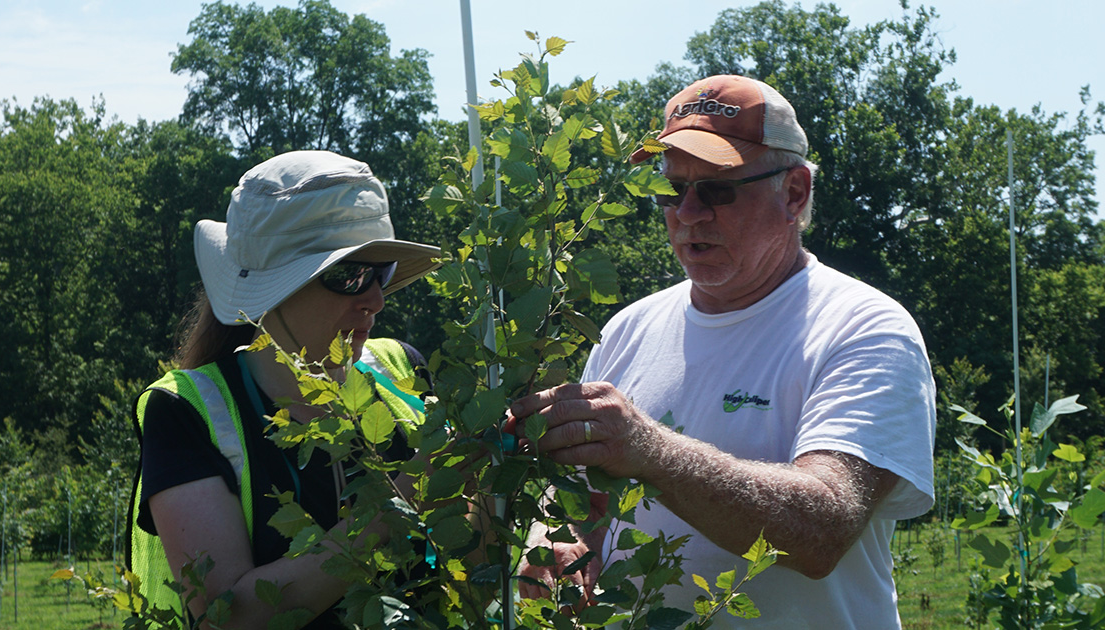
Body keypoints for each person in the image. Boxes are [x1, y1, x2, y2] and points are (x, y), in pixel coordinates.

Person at [511, 75, 936, 628]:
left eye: (717, 189)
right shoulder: (627, 330)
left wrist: (648, 449)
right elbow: (587, 498)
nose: (688, 214)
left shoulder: (862, 328)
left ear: (794, 193)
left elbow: (823, 530)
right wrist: (558, 543)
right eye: (672, 190)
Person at [125, 150, 443, 628]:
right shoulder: (186, 413)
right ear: (273, 291)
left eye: (383, 273)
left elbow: (470, 562)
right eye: (350, 275)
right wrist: (392, 511)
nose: (375, 299)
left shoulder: (402, 371)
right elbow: (228, 618)